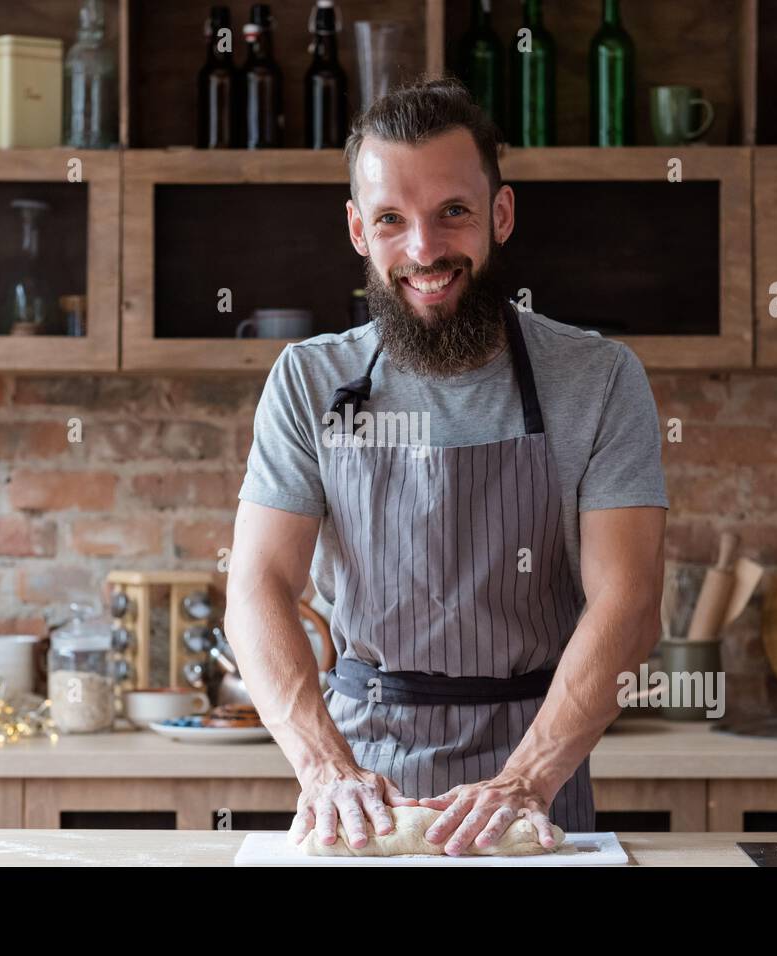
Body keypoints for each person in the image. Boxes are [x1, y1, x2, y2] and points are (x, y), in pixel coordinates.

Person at [225, 76, 668, 856]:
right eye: (393, 220)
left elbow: (628, 605)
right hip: (362, 791)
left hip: (540, 780)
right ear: (359, 230)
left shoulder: (598, 380)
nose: (424, 251)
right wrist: (326, 768)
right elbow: (257, 587)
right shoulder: (308, 382)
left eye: (452, 212)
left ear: (500, 215)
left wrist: (526, 779)